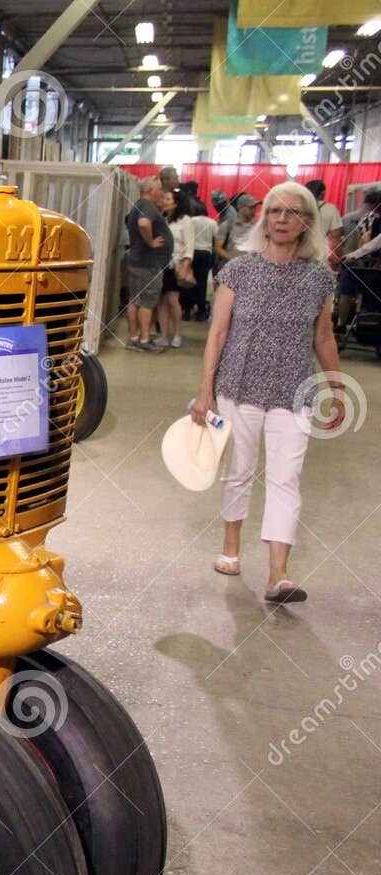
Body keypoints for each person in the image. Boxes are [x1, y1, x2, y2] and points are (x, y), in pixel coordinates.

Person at [191, 181, 347, 604]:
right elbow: (217, 334)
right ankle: (231, 547)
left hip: (294, 390)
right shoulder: (239, 271)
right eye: (275, 211)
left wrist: (336, 388)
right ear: (264, 219)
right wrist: (205, 391)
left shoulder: (319, 278)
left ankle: (279, 574)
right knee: (239, 469)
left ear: (307, 222)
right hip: (237, 386)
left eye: (292, 212)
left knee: (286, 477)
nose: (281, 219)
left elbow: (324, 336)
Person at [125, 176, 173, 351]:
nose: (161, 193)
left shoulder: (138, 205)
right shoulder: (147, 207)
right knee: (146, 301)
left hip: (137, 261)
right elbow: (144, 224)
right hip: (148, 263)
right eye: (159, 189)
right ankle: (144, 341)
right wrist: (151, 242)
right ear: (151, 190)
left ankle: (133, 338)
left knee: (134, 300)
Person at [336, 186, 381, 330]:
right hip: (370, 266)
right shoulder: (372, 218)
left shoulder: (360, 217)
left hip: (362, 265)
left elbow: (366, 242)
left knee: (348, 290)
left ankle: (342, 324)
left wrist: (353, 254)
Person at [159, 189, 187, 347]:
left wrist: (185, 264)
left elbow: (189, 245)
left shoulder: (185, 220)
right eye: (164, 198)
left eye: (168, 198)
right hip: (161, 264)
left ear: (176, 203)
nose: (164, 201)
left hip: (176, 264)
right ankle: (163, 335)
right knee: (162, 301)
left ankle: (177, 334)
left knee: (172, 299)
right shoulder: (161, 218)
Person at [185, 198, 217, 323]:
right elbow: (216, 238)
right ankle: (200, 311)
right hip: (206, 253)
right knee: (202, 282)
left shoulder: (191, 221)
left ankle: (187, 310)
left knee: (189, 281)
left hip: (193, 252)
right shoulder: (212, 222)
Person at [304, 179, 344, 269]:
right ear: (323, 193)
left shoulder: (298, 207)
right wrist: (337, 260)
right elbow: (336, 237)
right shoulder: (330, 209)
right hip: (320, 255)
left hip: (298, 254)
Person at [214, 192, 259, 264]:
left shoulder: (259, 226)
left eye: (255, 207)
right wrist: (232, 259)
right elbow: (217, 248)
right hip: (231, 266)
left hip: (252, 266)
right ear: (241, 207)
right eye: (251, 208)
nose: (254, 211)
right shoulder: (227, 225)